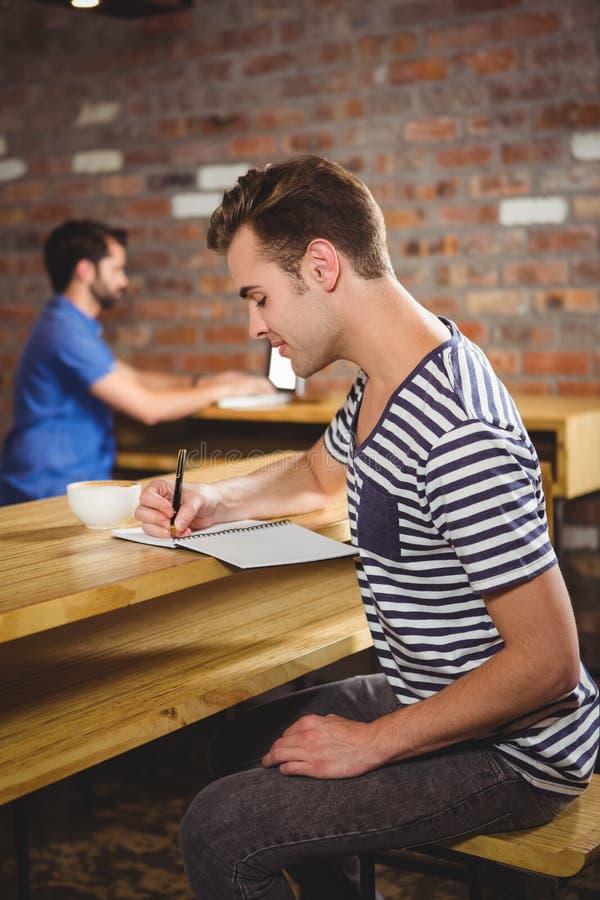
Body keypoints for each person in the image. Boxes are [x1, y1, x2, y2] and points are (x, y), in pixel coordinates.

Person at [135, 156, 599, 900]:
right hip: (434, 690)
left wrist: (371, 743)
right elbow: (320, 473)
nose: (255, 325)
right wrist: (218, 502)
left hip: (517, 752)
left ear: (320, 265)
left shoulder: (456, 430)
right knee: (242, 744)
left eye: (258, 297)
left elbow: (547, 663)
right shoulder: (387, 379)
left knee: (219, 828)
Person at [0, 219, 274, 504]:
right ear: (85, 270)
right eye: (117, 270)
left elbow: (131, 377)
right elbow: (148, 408)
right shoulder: (65, 333)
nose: (124, 281)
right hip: (47, 488)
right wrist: (225, 391)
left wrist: (207, 381)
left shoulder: (69, 325)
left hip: (63, 482)